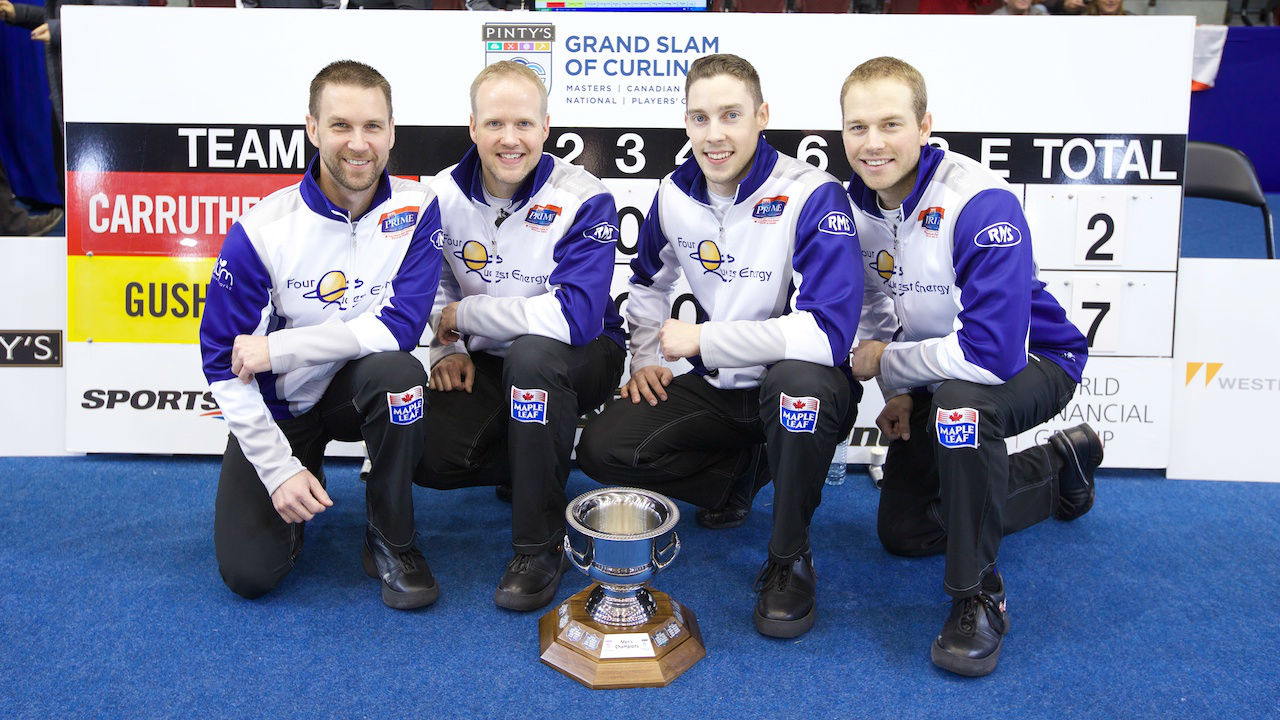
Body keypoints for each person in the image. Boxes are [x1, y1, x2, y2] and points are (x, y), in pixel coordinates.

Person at [577, 53, 863, 639]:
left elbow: (827, 334)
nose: (715, 134)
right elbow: (646, 282)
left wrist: (703, 338)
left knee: (796, 385)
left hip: (798, 380)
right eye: (700, 118)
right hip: (718, 388)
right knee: (603, 451)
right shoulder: (674, 192)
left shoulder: (812, 193)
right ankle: (741, 474)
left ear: (761, 116)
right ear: (686, 124)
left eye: (730, 115)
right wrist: (647, 357)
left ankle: (789, 558)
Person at [839, 56, 1103, 676]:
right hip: (946, 365)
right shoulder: (856, 204)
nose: (873, 144)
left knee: (961, 410)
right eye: (857, 128)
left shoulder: (980, 202)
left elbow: (991, 355)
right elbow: (881, 303)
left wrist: (894, 366)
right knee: (906, 532)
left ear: (925, 125)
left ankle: (977, 593)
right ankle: (1057, 461)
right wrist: (900, 387)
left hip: (1034, 359)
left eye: (890, 124)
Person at [200, 61, 443, 610]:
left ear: (392, 131)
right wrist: (277, 466)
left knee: (400, 375)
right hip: (280, 410)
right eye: (340, 126)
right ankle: (300, 474)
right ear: (311, 129)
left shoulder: (419, 209)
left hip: (353, 393)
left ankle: (391, 538)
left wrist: (279, 349)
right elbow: (221, 361)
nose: (358, 144)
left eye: (372, 127)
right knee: (249, 576)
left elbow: (400, 328)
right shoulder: (261, 230)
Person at [421, 61, 625, 612]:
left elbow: (575, 319)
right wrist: (448, 346)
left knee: (535, 357)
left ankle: (539, 546)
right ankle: (530, 458)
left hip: (581, 356)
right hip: (490, 362)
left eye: (524, 124)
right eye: (494, 124)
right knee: (428, 455)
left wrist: (469, 316)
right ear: (471, 127)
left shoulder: (583, 195)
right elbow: (434, 282)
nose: (509, 139)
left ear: (546, 126)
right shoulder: (437, 195)